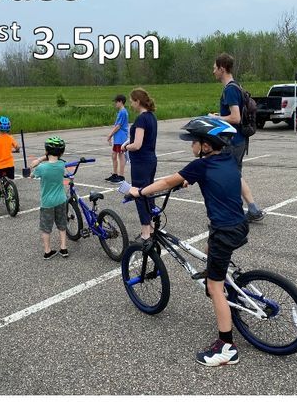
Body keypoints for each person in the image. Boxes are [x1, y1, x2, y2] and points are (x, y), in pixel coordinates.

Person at [124, 116, 247, 367]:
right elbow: (217, 178)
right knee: (210, 251)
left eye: (195, 141)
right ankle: (227, 283)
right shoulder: (227, 159)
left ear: (206, 144)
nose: (191, 145)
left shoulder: (200, 166)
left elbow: (169, 181)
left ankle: (227, 347)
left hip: (224, 231)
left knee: (214, 288)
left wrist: (139, 191)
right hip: (237, 225)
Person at [212, 53, 265, 222]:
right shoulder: (236, 86)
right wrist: (220, 115)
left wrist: (216, 119)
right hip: (239, 139)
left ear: (222, 68)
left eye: (214, 68)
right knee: (235, 175)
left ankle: (232, 213)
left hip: (232, 141)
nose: (213, 71)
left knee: (228, 177)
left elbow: (235, 118)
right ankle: (253, 209)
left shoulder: (230, 89)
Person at [122, 88, 158, 248]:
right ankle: (151, 227)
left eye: (132, 101)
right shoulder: (151, 117)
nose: (130, 104)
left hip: (141, 163)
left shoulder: (141, 119)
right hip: (150, 160)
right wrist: (127, 143)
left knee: (140, 195)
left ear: (138, 101)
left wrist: (125, 148)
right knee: (149, 194)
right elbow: (136, 140)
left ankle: (145, 234)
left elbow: (137, 144)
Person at [29, 137, 72, 259]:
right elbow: (66, 172)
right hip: (61, 200)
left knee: (46, 227)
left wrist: (39, 160)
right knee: (62, 224)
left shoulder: (42, 168)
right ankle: (63, 248)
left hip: (47, 202)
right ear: (62, 152)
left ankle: (47, 251)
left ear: (46, 151)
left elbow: (32, 175)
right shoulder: (61, 164)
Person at [105, 94, 129, 183]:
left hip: (121, 137)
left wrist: (110, 135)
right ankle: (115, 174)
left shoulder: (123, 112)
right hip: (118, 137)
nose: (115, 104)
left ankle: (121, 176)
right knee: (114, 155)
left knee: (121, 155)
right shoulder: (120, 112)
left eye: (116, 102)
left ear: (121, 102)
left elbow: (118, 126)